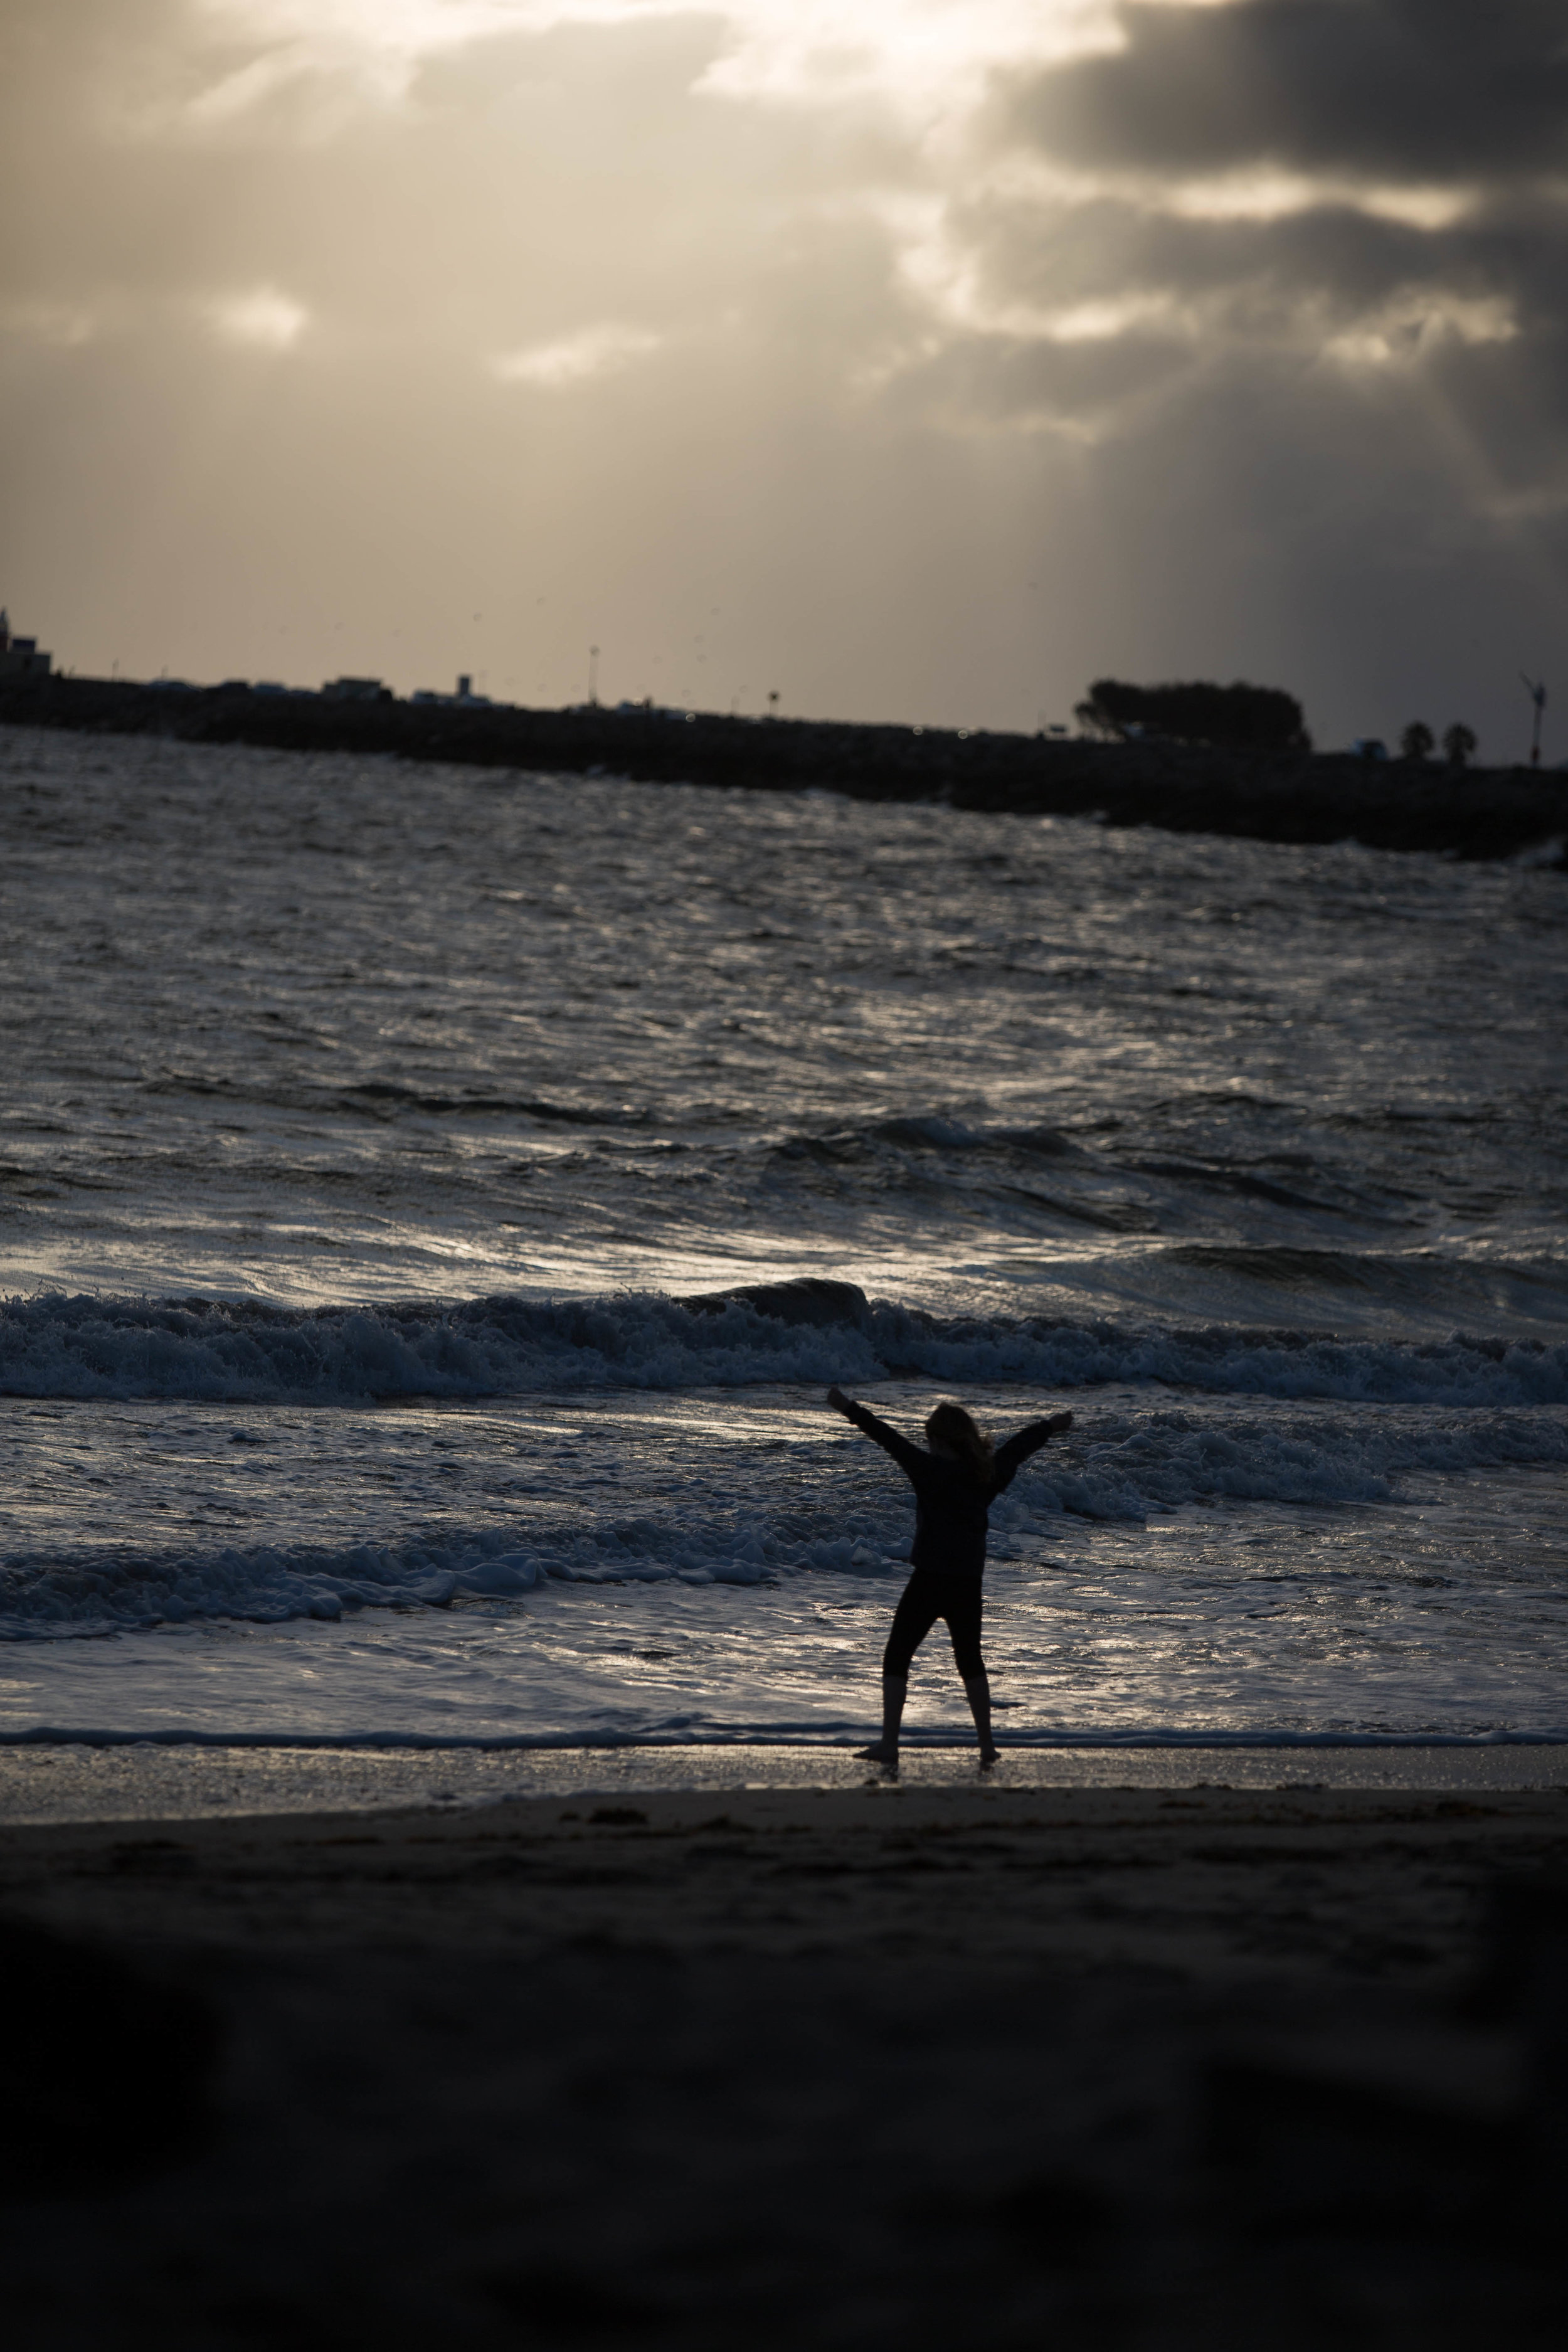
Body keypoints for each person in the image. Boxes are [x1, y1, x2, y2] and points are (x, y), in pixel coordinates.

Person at [826, 1385, 1073, 1770]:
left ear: (940, 1440)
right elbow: (1019, 1448)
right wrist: (1051, 1426)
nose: (927, 1447)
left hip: (929, 1579)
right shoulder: (987, 1474)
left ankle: (890, 1744)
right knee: (970, 1661)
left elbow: (886, 1437)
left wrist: (847, 1407)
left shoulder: (929, 1470)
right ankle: (987, 1746)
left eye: (930, 1440)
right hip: (966, 1582)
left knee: (897, 1655)